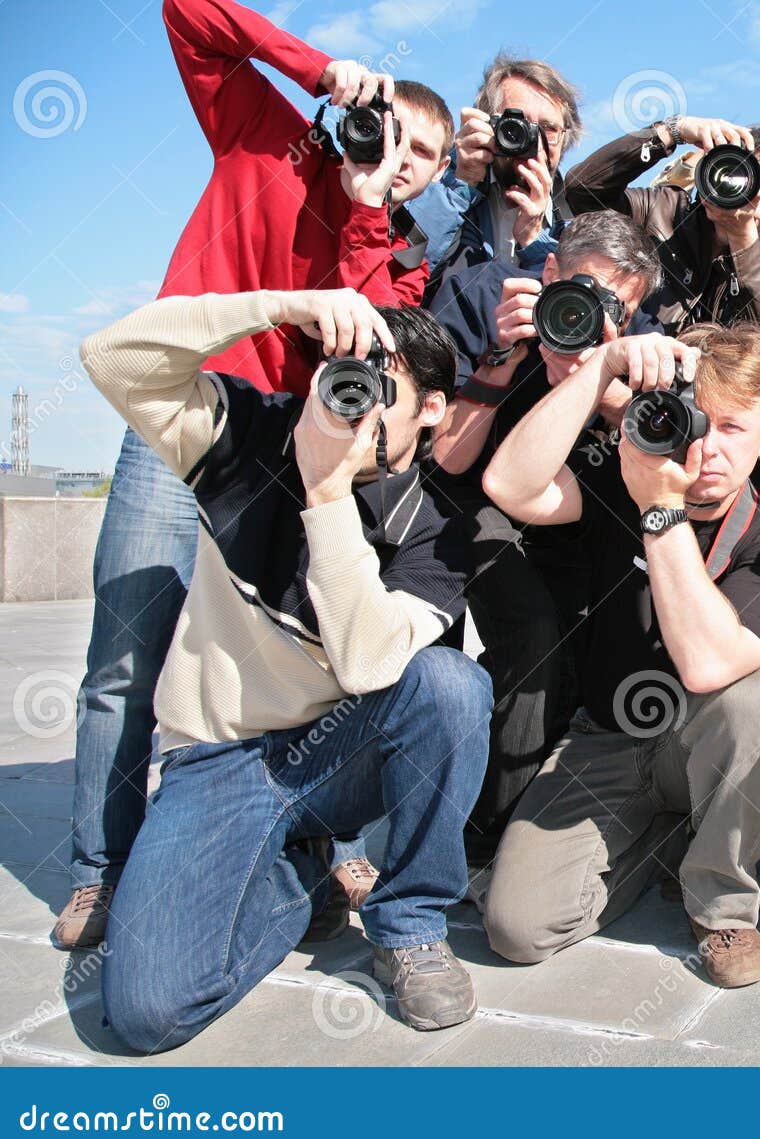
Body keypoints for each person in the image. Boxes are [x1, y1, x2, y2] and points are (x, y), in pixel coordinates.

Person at [56, 0, 454, 952]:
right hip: (191, 416)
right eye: (394, 132)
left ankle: (306, 840)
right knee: (125, 656)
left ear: (439, 176)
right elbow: (188, 14)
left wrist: (363, 212)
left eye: (426, 157)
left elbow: (362, 349)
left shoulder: (399, 257)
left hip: (290, 449)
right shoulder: (264, 141)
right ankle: (98, 870)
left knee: (314, 657)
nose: (401, 158)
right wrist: (319, 70)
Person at [79, 287, 487, 1051]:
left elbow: (367, 662)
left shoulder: (438, 535)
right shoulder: (256, 436)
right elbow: (110, 358)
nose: (353, 403)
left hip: (337, 757)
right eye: (344, 376)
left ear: (432, 410)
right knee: (146, 1013)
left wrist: (327, 492)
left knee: (452, 686)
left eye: (380, 388)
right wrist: (279, 306)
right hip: (217, 760)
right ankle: (299, 880)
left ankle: (410, 924)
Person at [478, 325, 760, 989]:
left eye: (734, 427)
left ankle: (721, 905)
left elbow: (710, 666)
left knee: (755, 698)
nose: (709, 449)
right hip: (606, 737)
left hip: (706, 739)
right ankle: (661, 839)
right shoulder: (625, 471)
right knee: (516, 928)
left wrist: (661, 511)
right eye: (695, 421)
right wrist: (600, 367)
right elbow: (509, 486)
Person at [426, 211, 663, 862]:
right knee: (530, 630)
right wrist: (501, 357)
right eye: (581, 293)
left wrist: (599, 375)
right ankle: (488, 840)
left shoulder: (632, 333)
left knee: (574, 647)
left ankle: (522, 797)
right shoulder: (486, 294)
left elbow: (646, 442)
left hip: (568, 509)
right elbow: (447, 459)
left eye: (616, 305)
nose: (591, 313)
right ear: (550, 270)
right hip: (471, 501)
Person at [562, 118, 760, 358]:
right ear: (718, 172)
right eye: (748, 185)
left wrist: (743, 240)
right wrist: (671, 132)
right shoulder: (661, 210)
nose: (754, 203)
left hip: (703, 397)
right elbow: (580, 192)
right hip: (622, 377)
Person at [417, 55, 584, 286]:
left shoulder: (576, 217)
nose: (533, 140)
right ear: (487, 124)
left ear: (565, 139)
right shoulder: (434, 184)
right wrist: (462, 184)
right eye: (517, 124)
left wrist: (536, 238)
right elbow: (407, 270)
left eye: (548, 128)